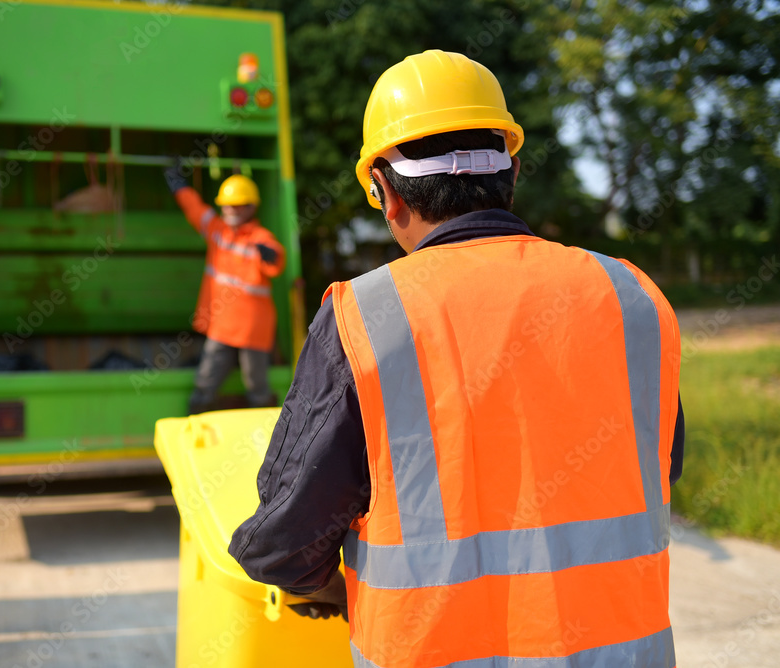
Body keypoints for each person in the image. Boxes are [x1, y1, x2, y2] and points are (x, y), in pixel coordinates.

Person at [228, 50, 685, 667]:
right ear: (512, 171)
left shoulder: (366, 317)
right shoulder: (630, 295)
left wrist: (335, 590)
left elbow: (282, 546)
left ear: (383, 190)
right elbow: (656, 469)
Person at [163, 167, 286, 414]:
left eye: (238, 206)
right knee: (205, 383)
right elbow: (195, 209)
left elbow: (276, 260)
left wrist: (271, 255)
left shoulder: (260, 238)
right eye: (228, 205)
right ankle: (198, 427)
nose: (232, 210)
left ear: (252, 207)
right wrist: (180, 187)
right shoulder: (217, 231)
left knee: (257, 386)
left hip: (252, 330)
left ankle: (267, 431)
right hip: (222, 326)